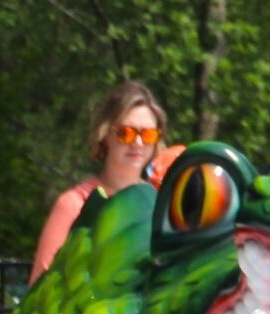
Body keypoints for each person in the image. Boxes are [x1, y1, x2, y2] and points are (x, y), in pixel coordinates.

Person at [31, 80, 183, 282]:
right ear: (105, 135)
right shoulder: (74, 204)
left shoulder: (162, 207)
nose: (138, 143)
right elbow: (39, 288)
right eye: (126, 133)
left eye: (148, 134)